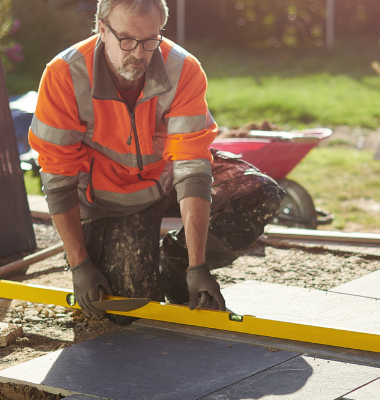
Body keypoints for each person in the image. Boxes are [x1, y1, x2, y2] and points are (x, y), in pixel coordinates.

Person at [29, 0, 284, 319]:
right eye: (126, 40)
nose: (138, 53)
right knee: (127, 311)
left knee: (259, 194)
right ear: (101, 29)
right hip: (108, 199)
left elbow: (192, 167)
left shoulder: (183, 69)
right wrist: (80, 264)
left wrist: (197, 264)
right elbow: (57, 178)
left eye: (150, 41)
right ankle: (126, 261)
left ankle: (176, 265)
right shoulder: (64, 75)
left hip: (166, 180)